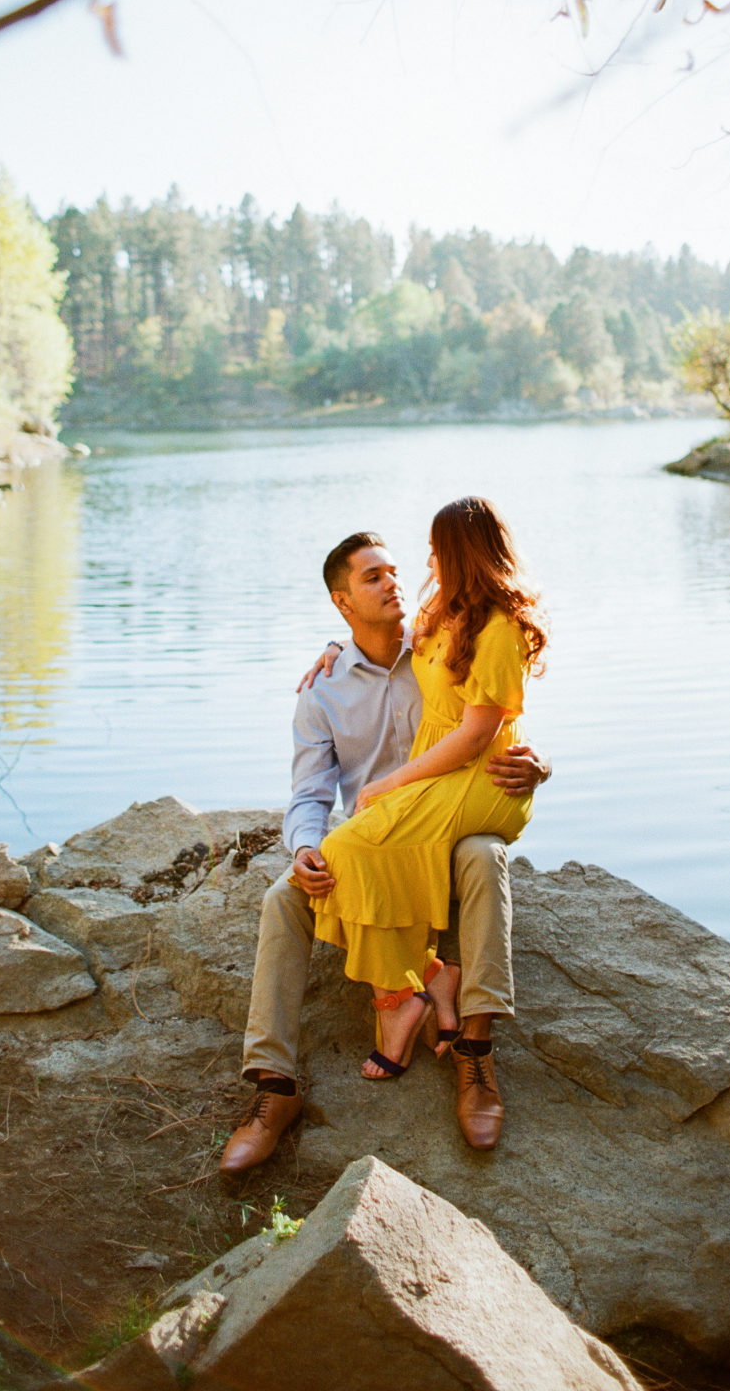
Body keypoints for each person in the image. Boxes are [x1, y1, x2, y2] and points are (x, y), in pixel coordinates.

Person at [218, 520, 549, 1178]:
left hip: (452, 827)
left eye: (395, 571)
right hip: (380, 845)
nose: (394, 583)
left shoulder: (439, 640)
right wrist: (306, 847)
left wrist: (536, 764)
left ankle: (475, 1056)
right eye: (374, 577)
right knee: (284, 898)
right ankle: (273, 1087)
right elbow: (309, 794)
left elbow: (496, 716)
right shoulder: (323, 688)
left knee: (483, 855)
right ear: (342, 603)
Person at [311, 497, 548, 1098]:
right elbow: (392, 639)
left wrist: (390, 783)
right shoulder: (446, 612)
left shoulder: (499, 627)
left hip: (485, 778)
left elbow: (476, 736)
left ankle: (403, 998)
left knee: (351, 847)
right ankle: (424, 983)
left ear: (461, 552)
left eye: (437, 547)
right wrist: (338, 649)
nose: (426, 559)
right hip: (447, 773)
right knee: (348, 851)